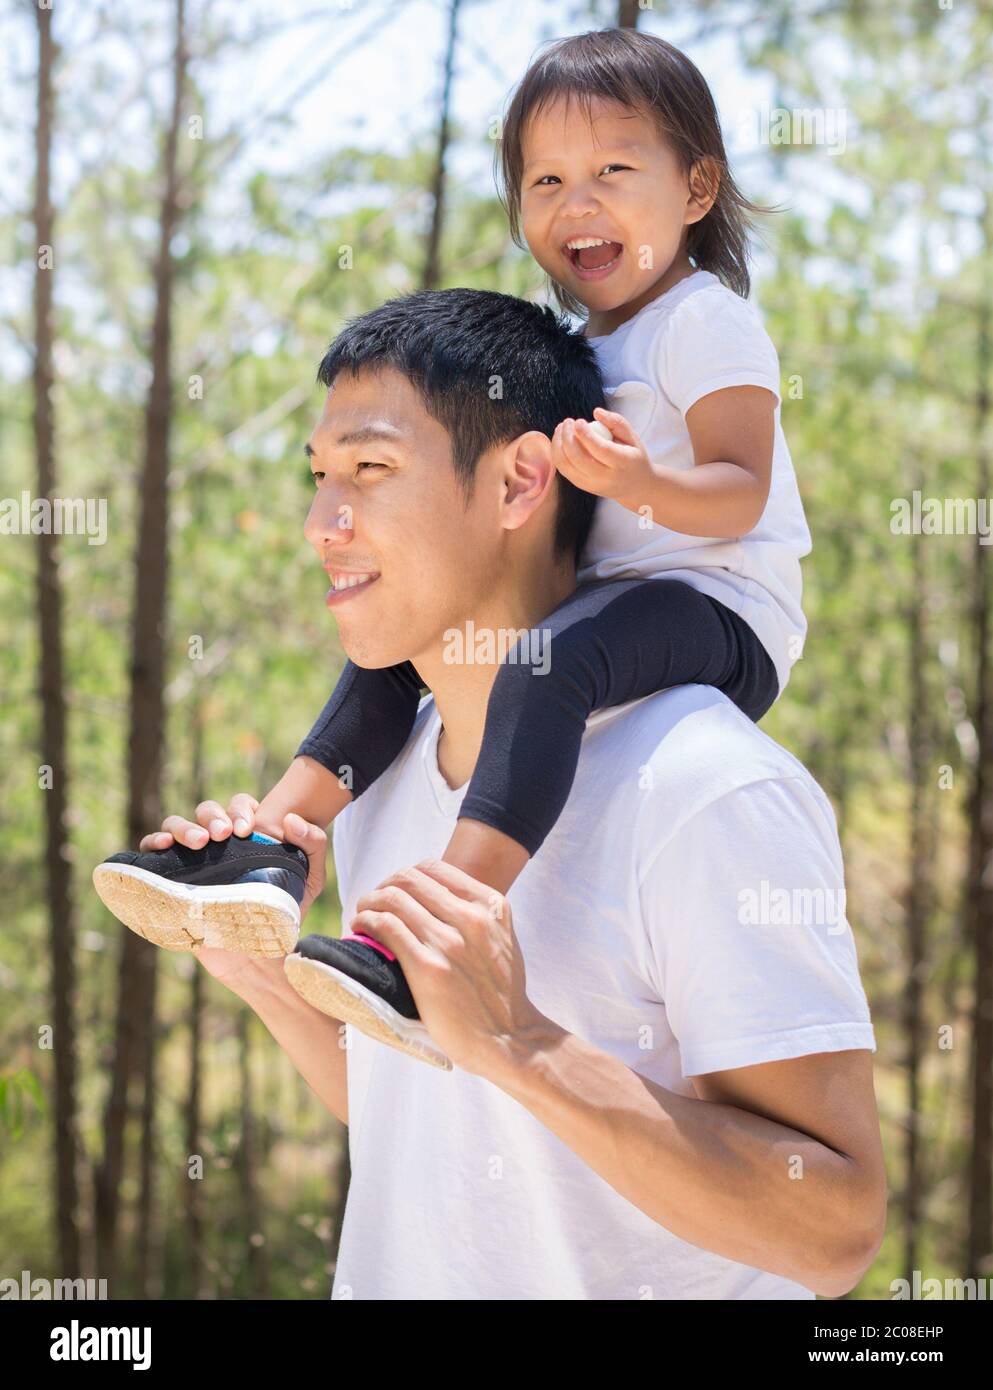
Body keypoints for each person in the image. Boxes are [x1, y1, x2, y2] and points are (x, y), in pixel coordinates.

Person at [124, 286, 884, 1300]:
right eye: (317, 476)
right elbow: (415, 1106)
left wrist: (527, 1044)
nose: (319, 523)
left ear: (523, 480)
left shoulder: (705, 788)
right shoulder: (388, 777)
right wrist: (260, 971)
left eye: (369, 470)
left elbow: (833, 1230)